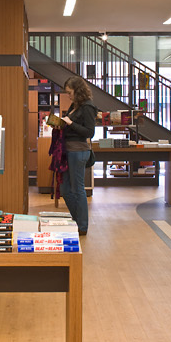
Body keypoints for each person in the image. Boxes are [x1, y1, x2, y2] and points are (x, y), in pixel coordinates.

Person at [56, 76, 97, 236]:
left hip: (78, 151)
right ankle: (77, 220)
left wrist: (70, 123)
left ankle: (82, 226)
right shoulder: (75, 105)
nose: (69, 96)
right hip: (68, 151)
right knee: (65, 189)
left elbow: (89, 132)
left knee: (77, 188)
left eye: (70, 92)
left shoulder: (88, 107)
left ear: (77, 90)